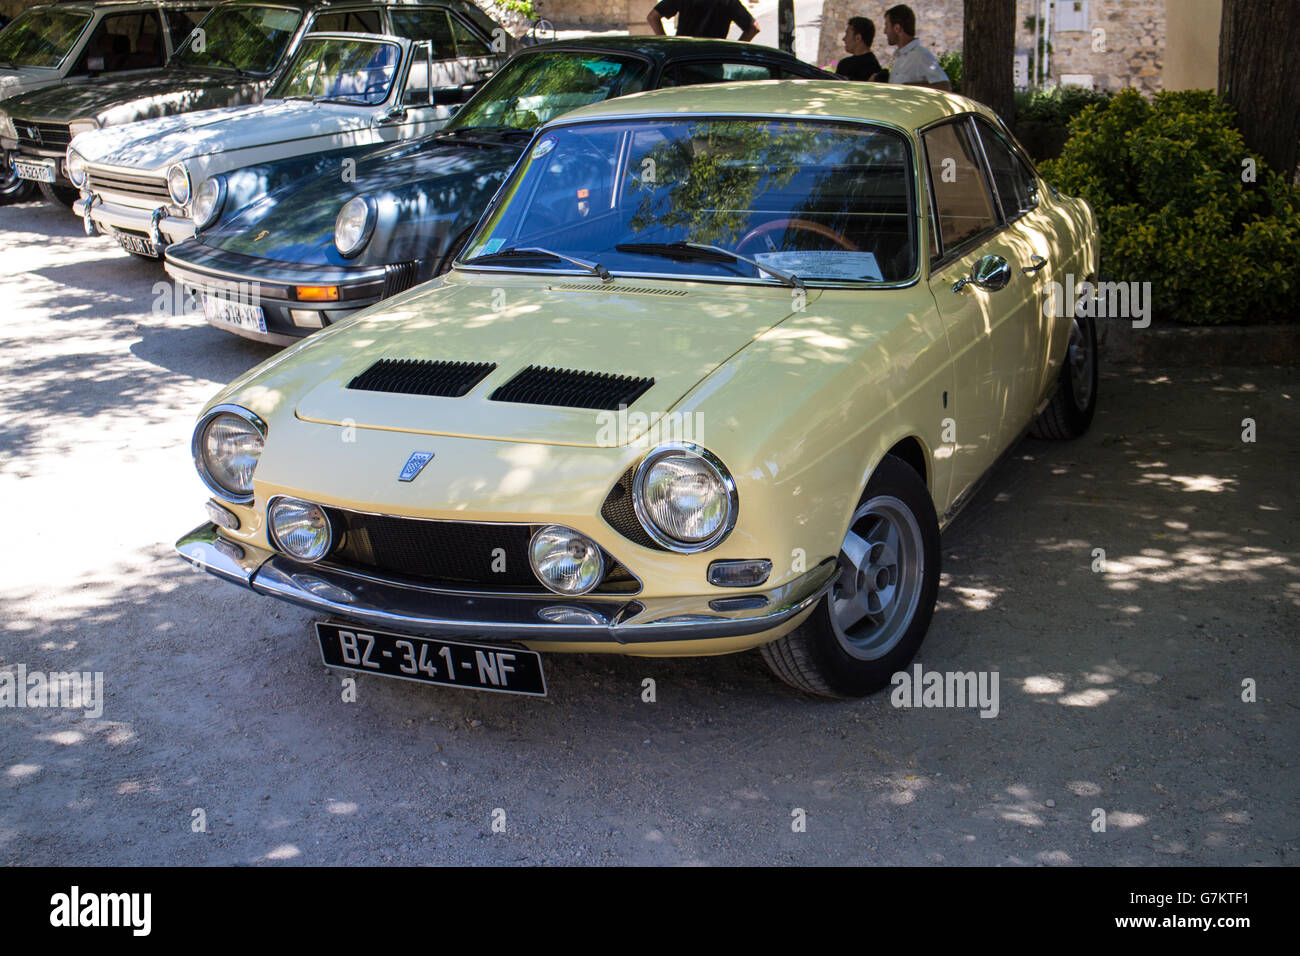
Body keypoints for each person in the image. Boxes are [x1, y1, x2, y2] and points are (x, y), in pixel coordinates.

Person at [883, 4, 950, 90]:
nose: (884, 31)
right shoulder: (899, 56)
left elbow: (945, 86)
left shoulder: (921, 55)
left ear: (897, 28)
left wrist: (909, 88)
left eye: (887, 26)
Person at [647, 0, 760, 41]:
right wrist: (734, 50)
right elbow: (753, 28)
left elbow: (652, 17)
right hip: (711, 60)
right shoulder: (729, 2)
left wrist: (667, 44)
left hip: (682, 58)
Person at [836, 17, 887, 81]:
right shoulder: (874, 66)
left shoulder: (845, 65)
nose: (844, 39)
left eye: (847, 34)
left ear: (858, 38)